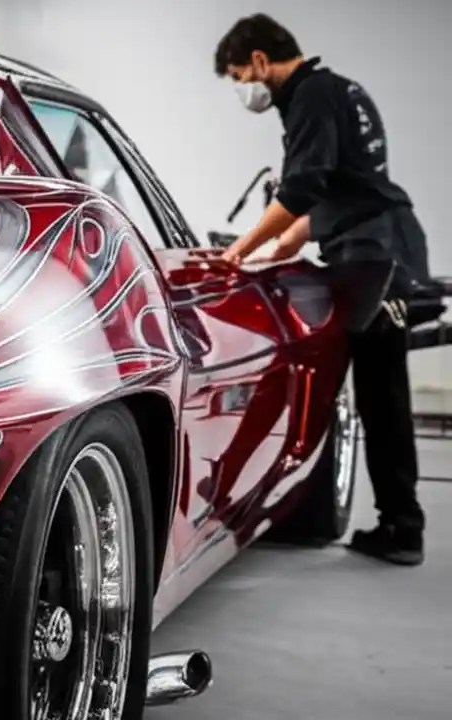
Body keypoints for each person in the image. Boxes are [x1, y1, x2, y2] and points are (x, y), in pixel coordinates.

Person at [213, 13, 429, 565]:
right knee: (377, 391)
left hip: (374, 254)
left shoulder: (310, 96)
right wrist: (282, 244)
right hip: (376, 244)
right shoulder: (333, 90)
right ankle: (395, 524)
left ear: (259, 60)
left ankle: (402, 528)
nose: (243, 89)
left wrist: (240, 250)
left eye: (239, 77)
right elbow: (338, 189)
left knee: (382, 397)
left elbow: (303, 187)